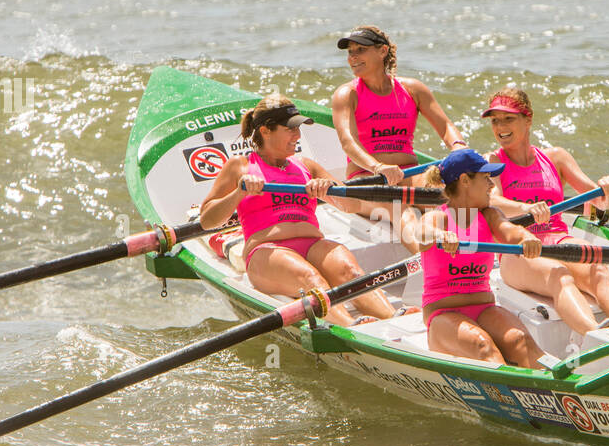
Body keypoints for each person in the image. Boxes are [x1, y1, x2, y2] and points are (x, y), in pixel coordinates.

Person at [197, 93, 397, 326]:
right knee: (311, 278)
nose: (298, 135)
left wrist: (330, 190)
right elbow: (207, 220)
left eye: (298, 128)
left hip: (313, 245)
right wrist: (239, 193)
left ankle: (394, 319)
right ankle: (351, 328)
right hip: (266, 252)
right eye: (290, 129)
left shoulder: (306, 165)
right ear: (265, 131)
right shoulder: (240, 166)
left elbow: (352, 205)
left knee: (351, 272)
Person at [481, 87, 609, 334]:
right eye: (495, 121)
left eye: (508, 118)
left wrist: (606, 190)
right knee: (559, 275)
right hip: (518, 248)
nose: (500, 127)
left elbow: (598, 205)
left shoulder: (556, 158)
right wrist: (526, 208)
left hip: (558, 240)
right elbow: (492, 200)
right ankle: (598, 337)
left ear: (528, 119)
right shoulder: (492, 161)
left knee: (598, 269)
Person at [330, 25, 467, 251]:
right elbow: (348, 142)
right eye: (350, 52)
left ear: (382, 51)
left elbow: (445, 126)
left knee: (450, 195)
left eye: (360, 50)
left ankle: (466, 252)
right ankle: (425, 260)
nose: (352, 57)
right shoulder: (347, 94)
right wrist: (378, 167)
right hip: (367, 179)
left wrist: (459, 147)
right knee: (398, 207)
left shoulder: (412, 89)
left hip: (408, 174)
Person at [418, 149, 546, 368]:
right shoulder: (438, 217)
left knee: (520, 340)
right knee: (482, 345)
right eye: (486, 178)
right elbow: (422, 233)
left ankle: (554, 383)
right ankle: (508, 387)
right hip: (441, 314)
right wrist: (441, 235)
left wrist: (527, 238)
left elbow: (511, 232)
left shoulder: (490, 214)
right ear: (465, 180)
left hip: (484, 308)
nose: (492, 185)